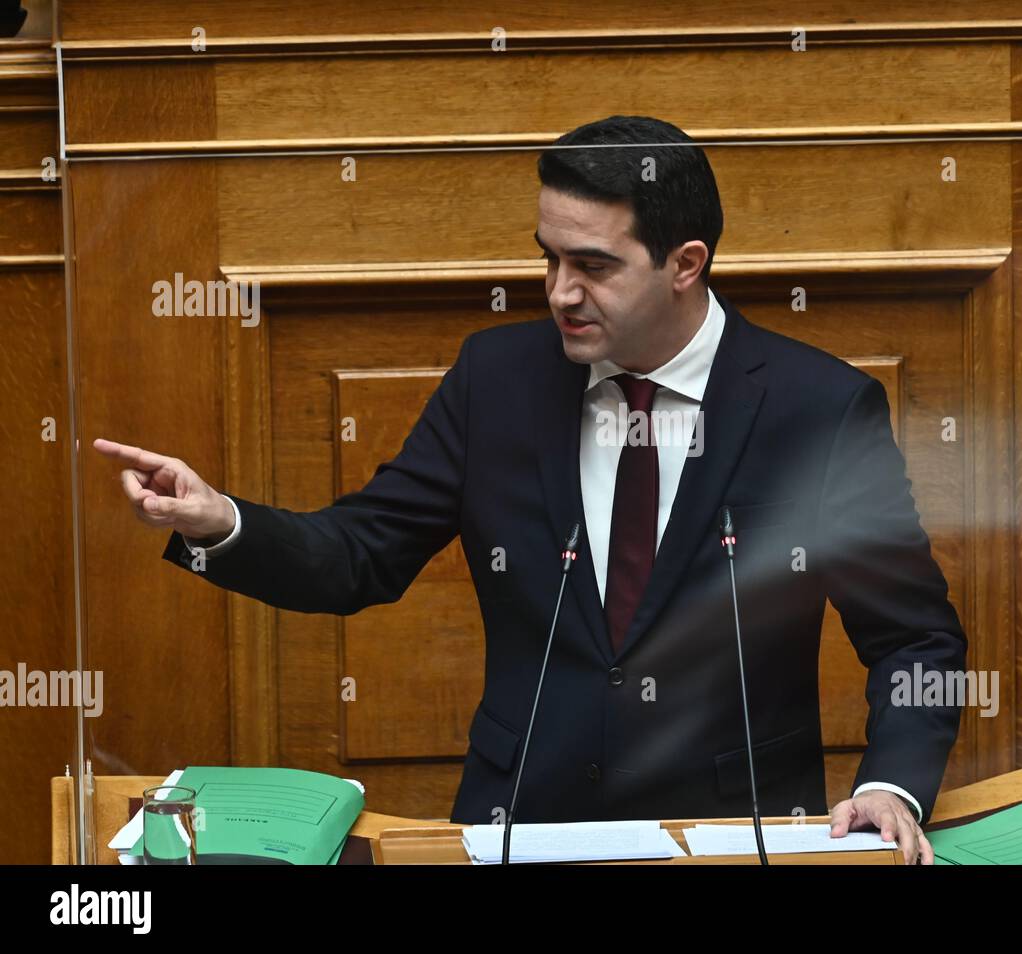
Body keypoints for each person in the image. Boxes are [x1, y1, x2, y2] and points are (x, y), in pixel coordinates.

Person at [95, 114, 967, 864]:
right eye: (548, 259)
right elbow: (361, 556)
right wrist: (221, 523)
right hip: (520, 829)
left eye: (592, 264)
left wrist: (891, 785)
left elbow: (915, 637)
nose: (559, 293)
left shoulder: (818, 408)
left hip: (731, 833)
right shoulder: (497, 381)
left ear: (685, 263)